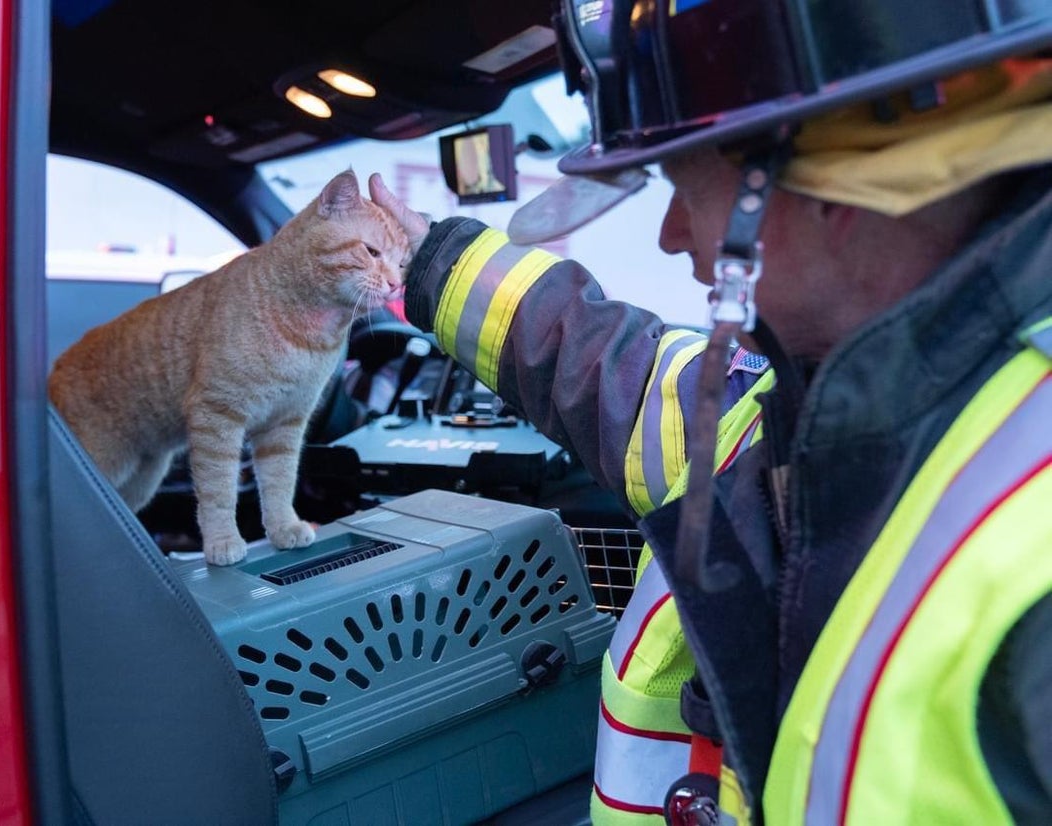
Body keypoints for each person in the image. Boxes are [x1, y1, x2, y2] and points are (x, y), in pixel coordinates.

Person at [368, 2, 1052, 824]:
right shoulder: (808, 398)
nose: (669, 235)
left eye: (689, 188)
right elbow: (619, 371)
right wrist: (437, 265)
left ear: (838, 187)